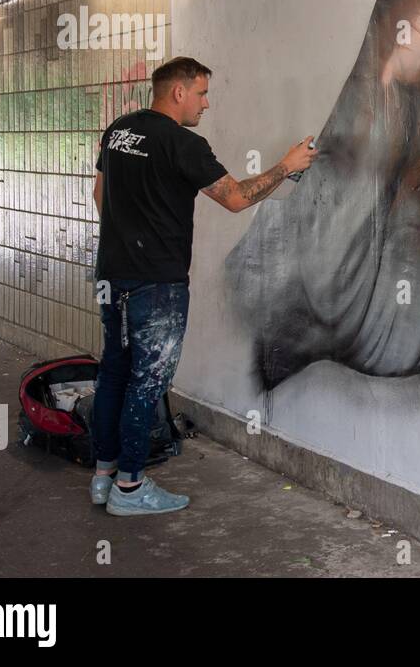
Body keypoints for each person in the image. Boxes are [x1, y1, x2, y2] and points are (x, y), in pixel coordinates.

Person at [90, 55, 316, 516]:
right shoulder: (182, 143)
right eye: (202, 92)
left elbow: (99, 195)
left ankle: (103, 476)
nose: (206, 104)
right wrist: (285, 165)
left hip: (113, 278)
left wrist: (130, 244)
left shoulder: (119, 131)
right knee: (146, 383)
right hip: (158, 287)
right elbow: (235, 198)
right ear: (178, 91)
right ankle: (130, 490)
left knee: (114, 372)